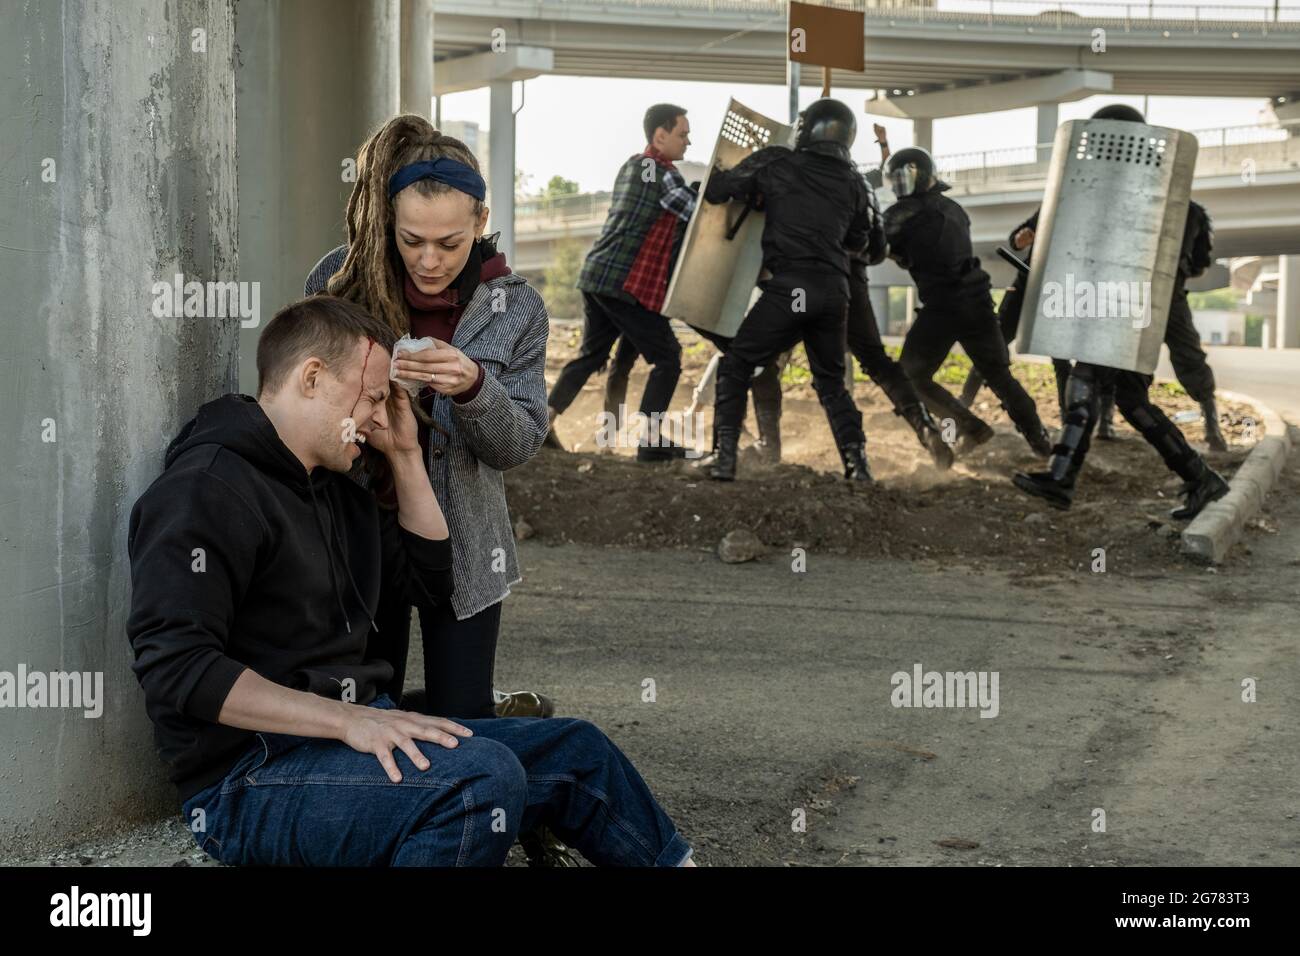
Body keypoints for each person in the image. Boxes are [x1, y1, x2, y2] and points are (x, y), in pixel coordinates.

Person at [125, 295, 695, 867]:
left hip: (352, 742)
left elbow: (431, 587)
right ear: (313, 377)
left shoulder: (337, 484)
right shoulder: (205, 489)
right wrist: (348, 718)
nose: (378, 415)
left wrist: (404, 456)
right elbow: (177, 668)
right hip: (251, 779)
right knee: (480, 783)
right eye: (372, 397)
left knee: (578, 751)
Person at [304, 114, 548, 723]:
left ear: (480, 224)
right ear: (388, 221)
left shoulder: (514, 305)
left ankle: (492, 722)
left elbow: (517, 446)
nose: (429, 261)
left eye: (449, 242)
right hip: (358, 536)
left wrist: (474, 388)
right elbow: (301, 411)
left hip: (465, 545)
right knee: (363, 709)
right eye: (412, 241)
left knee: (460, 717)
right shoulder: (340, 282)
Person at [1011, 105, 1230, 517]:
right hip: (1134, 305)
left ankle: (1061, 477)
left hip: (1127, 305)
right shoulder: (1119, 193)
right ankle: (1201, 479)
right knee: (1132, 399)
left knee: (1085, 381)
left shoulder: (1148, 198)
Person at [700, 97, 874, 482]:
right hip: (834, 292)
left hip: (793, 288)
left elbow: (719, 189)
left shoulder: (780, 162)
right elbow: (860, 239)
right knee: (831, 382)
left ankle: (724, 458)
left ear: (806, 129)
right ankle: (858, 465)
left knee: (737, 363)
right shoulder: (854, 182)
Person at [544, 104, 697, 461]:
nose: (688, 142)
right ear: (660, 135)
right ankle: (651, 441)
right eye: (683, 134)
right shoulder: (661, 172)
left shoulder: (632, 166)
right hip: (626, 285)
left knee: (593, 356)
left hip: (597, 277)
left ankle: (542, 425)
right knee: (669, 358)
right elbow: (693, 212)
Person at [883, 146, 1053, 458]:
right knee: (999, 376)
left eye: (899, 180)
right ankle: (1040, 441)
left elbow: (874, 247)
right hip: (977, 302)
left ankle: (967, 426)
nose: (896, 187)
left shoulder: (900, 214)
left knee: (910, 377)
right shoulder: (954, 208)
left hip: (942, 307)